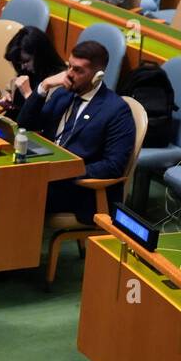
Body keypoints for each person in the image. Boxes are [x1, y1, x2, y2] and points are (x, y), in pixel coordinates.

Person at [16, 40, 136, 223]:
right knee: (3, 181)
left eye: (78, 70)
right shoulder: (64, 93)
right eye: (69, 66)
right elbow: (25, 124)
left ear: (97, 76)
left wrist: (66, 171)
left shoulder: (116, 111)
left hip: (79, 190)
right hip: (45, 176)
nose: (69, 74)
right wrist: (44, 86)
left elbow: (114, 165)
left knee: (16, 194)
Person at [0, 25, 66, 120]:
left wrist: (28, 94)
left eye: (26, 61)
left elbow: (46, 121)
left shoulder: (59, 81)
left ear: (41, 55)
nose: (22, 67)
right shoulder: (27, 71)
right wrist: (7, 98)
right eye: (19, 63)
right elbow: (9, 90)